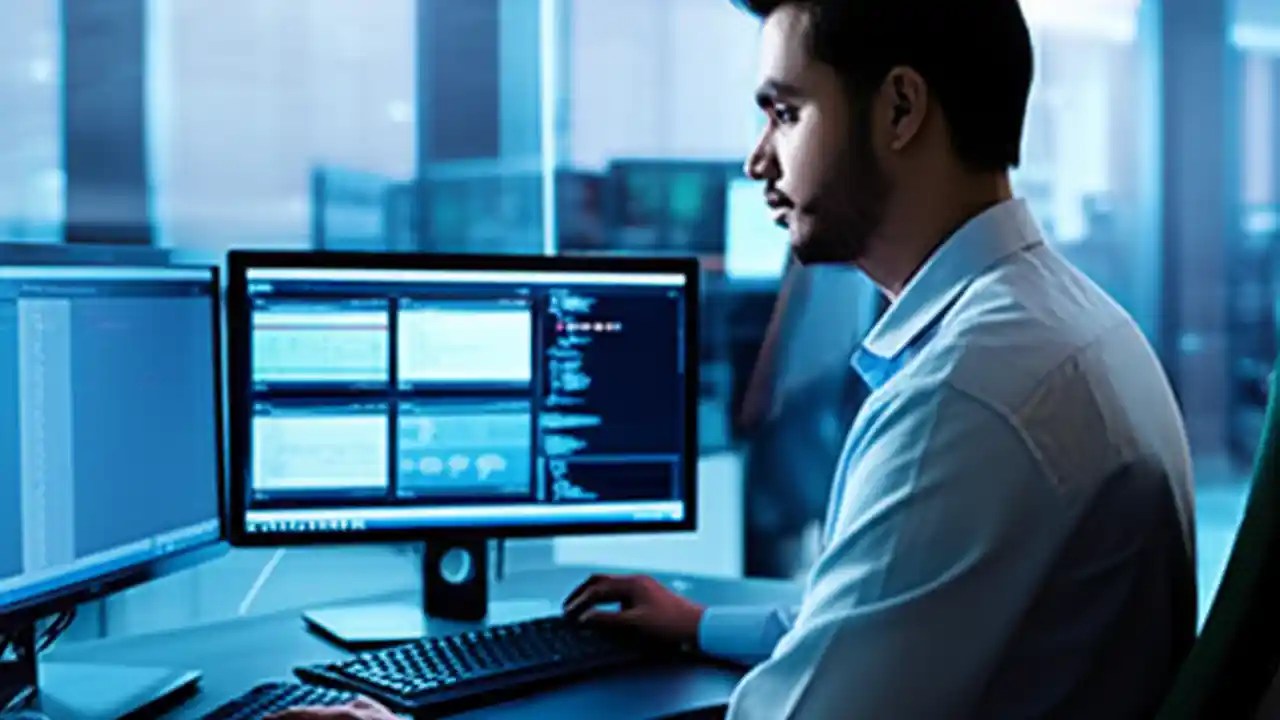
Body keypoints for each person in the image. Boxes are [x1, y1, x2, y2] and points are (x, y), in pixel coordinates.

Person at [279, 0, 1196, 717]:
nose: (759, 160)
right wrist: (700, 624)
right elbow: (890, 613)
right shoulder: (1060, 324)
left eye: (785, 113)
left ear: (900, 108)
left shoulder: (969, 393)